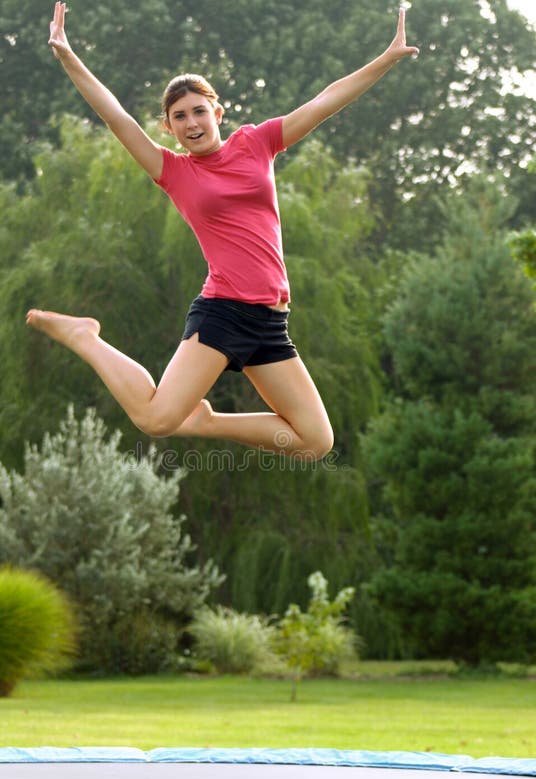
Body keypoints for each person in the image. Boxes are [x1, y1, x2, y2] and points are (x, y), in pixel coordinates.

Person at [27, 3, 419, 460]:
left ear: (217, 111)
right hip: (224, 311)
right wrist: (69, 56)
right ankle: (85, 338)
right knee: (156, 419)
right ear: (169, 127)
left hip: (270, 320)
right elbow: (115, 116)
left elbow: (324, 101)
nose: (191, 123)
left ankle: (209, 422)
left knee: (315, 441)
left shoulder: (257, 143)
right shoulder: (173, 171)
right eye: (179, 117)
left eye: (198, 111)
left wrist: (387, 58)